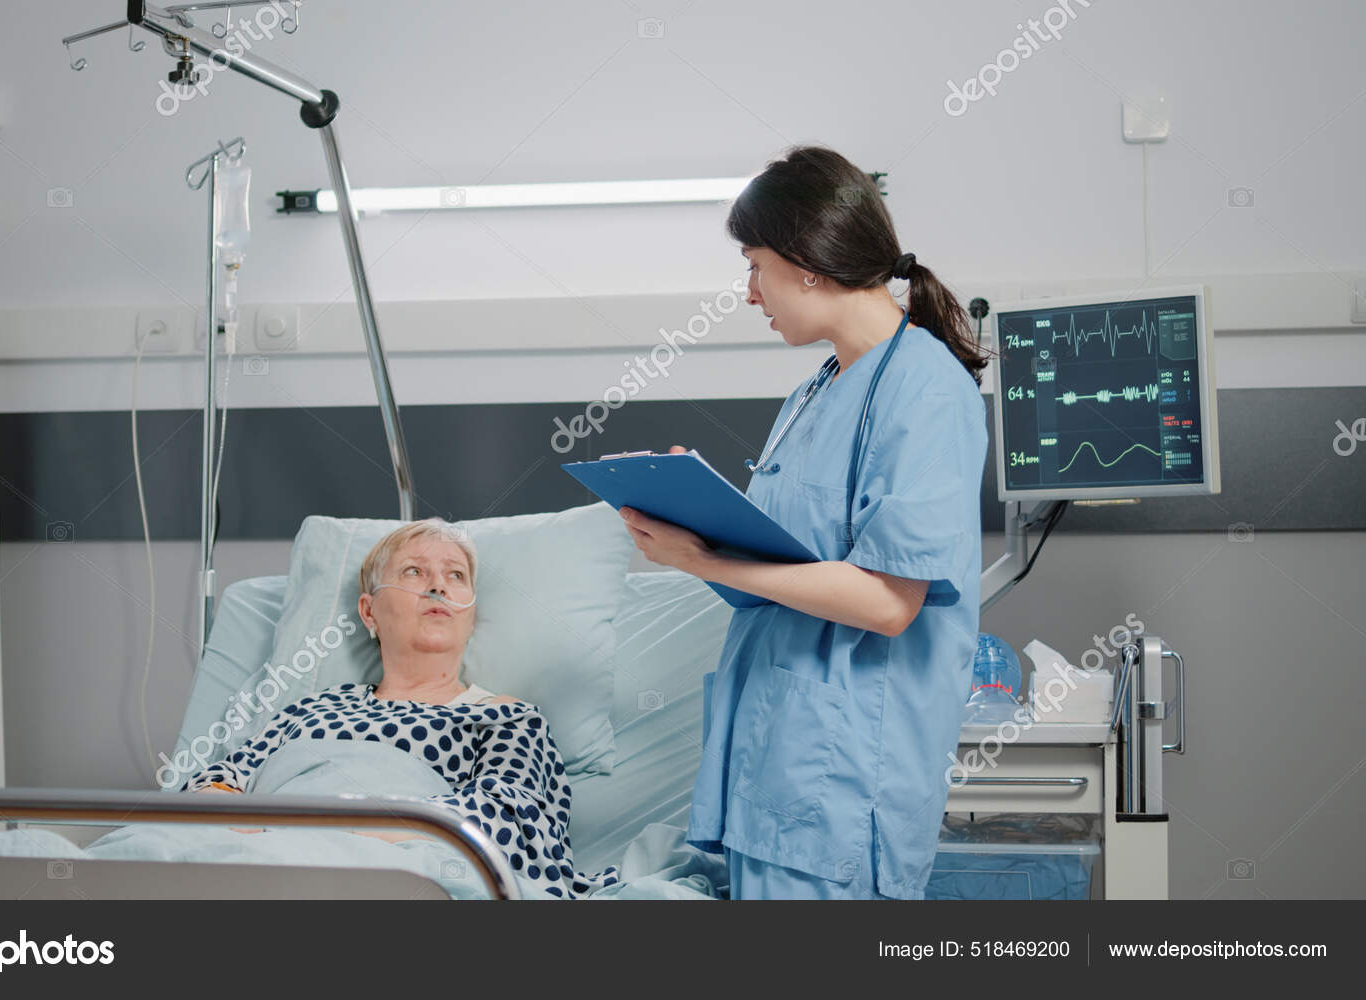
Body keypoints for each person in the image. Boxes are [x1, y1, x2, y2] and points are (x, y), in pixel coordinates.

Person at [619, 145, 989, 899]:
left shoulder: (925, 390)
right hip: (778, 765)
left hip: (845, 786)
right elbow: (789, 569)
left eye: (755, 264)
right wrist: (700, 523)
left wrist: (705, 563)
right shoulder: (815, 393)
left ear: (807, 262)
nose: (750, 291)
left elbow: (889, 603)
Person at [183, 518, 619, 898]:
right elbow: (218, 783)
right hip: (258, 859)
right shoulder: (310, 709)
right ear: (369, 612)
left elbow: (513, 826)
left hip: (393, 867)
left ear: (470, 618)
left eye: (456, 575)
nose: (438, 586)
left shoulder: (503, 715)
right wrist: (252, 830)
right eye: (414, 571)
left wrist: (340, 832)